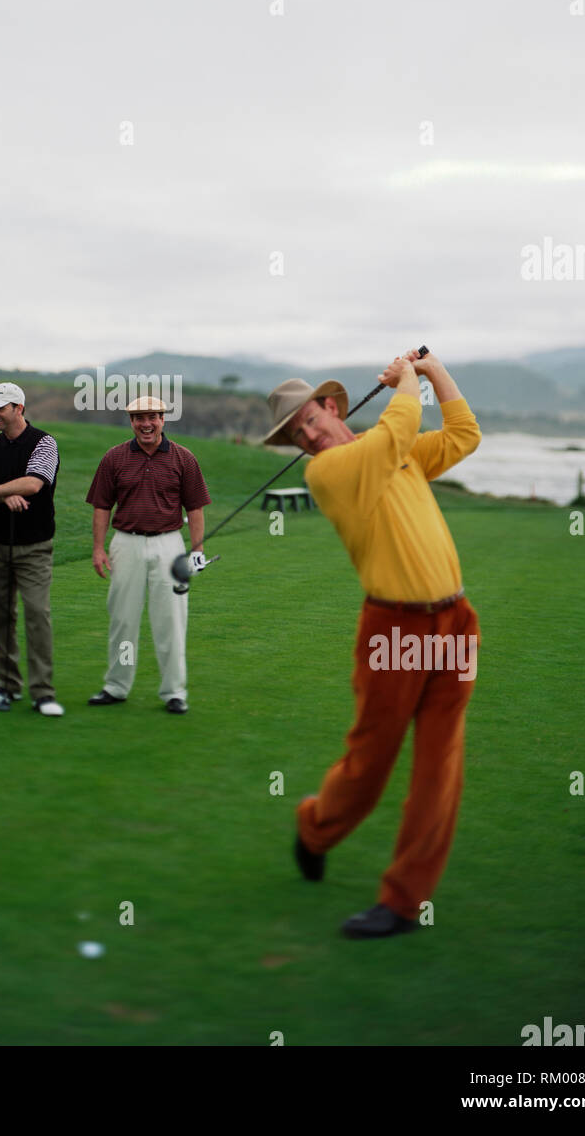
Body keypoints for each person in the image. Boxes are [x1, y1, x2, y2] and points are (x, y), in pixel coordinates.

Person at [264, 348, 481, 938]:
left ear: (332, 408)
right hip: (394, 631)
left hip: (456, 623)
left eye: (309, 421)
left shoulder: (391, 444)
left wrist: (432, 370)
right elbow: (399, 428)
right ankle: (316, 827)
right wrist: (405, 381)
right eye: (296, 435)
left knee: (439, 768)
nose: (307, 439)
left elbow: (462, 436)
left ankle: (404, 900)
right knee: (371, 762)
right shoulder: (328, 472)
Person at [85, 395, 211, 714]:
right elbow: (102, 506)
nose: (146, 424)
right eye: (139, 418)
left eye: (152, 417)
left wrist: (197, 550)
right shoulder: (114, 458)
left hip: (169, 544)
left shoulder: (184, 458)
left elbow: (194, 508)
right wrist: (98, 548)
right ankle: (116, 686)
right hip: (125, 543)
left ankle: (174, 691)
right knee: (123, 619)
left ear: (162, 420)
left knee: (170, 620)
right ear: (131, 422)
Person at [0, 382, 63, 717]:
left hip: (34, 546)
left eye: (0, 409)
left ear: (19, 408)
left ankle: (43, 693)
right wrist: (3, 495)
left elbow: (35, 483)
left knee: (37, 615)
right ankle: (7, 686)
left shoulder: (44, 443)